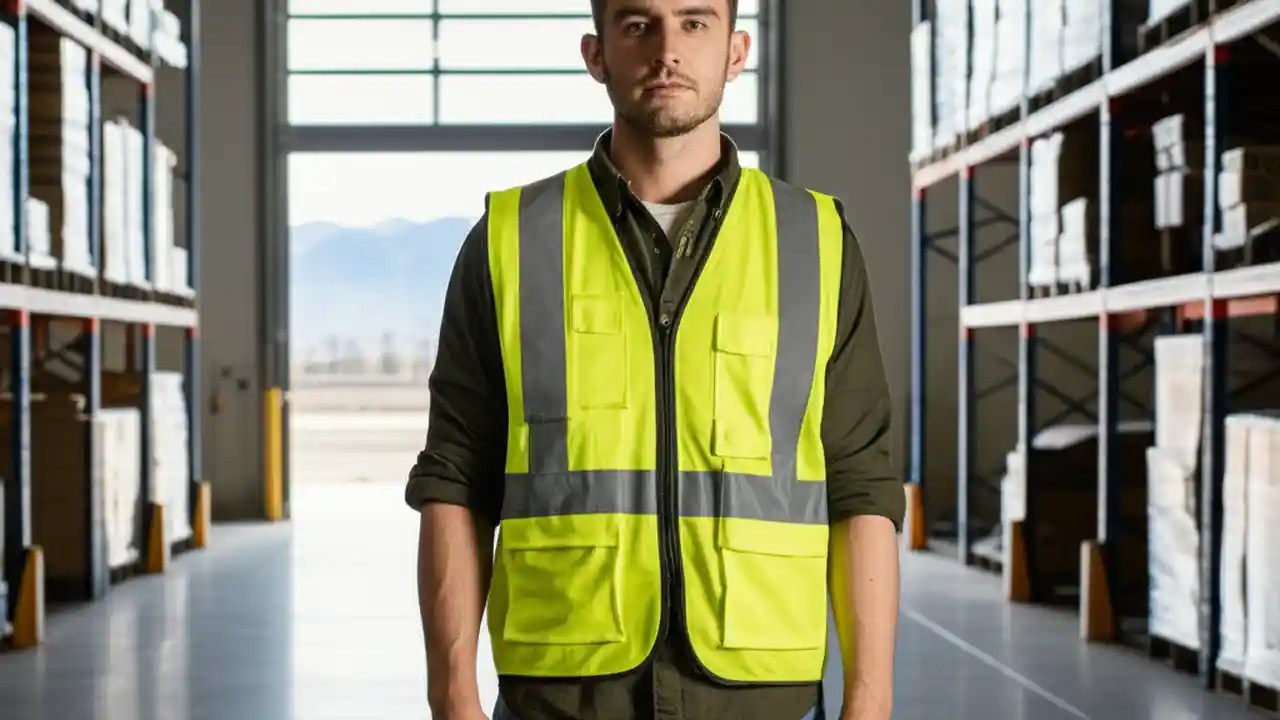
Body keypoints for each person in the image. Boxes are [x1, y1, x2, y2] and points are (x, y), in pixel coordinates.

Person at [405, 1, 904, 718]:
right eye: (638, 25)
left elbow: (860, 483)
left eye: (694, 22)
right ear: (596, 54)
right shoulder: (511, 241)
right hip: (564, 694)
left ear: (737, 51)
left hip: (760, 696)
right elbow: (456, 475)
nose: (668, 49)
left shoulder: (816, 242)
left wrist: (870, 702)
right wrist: (452, 697)